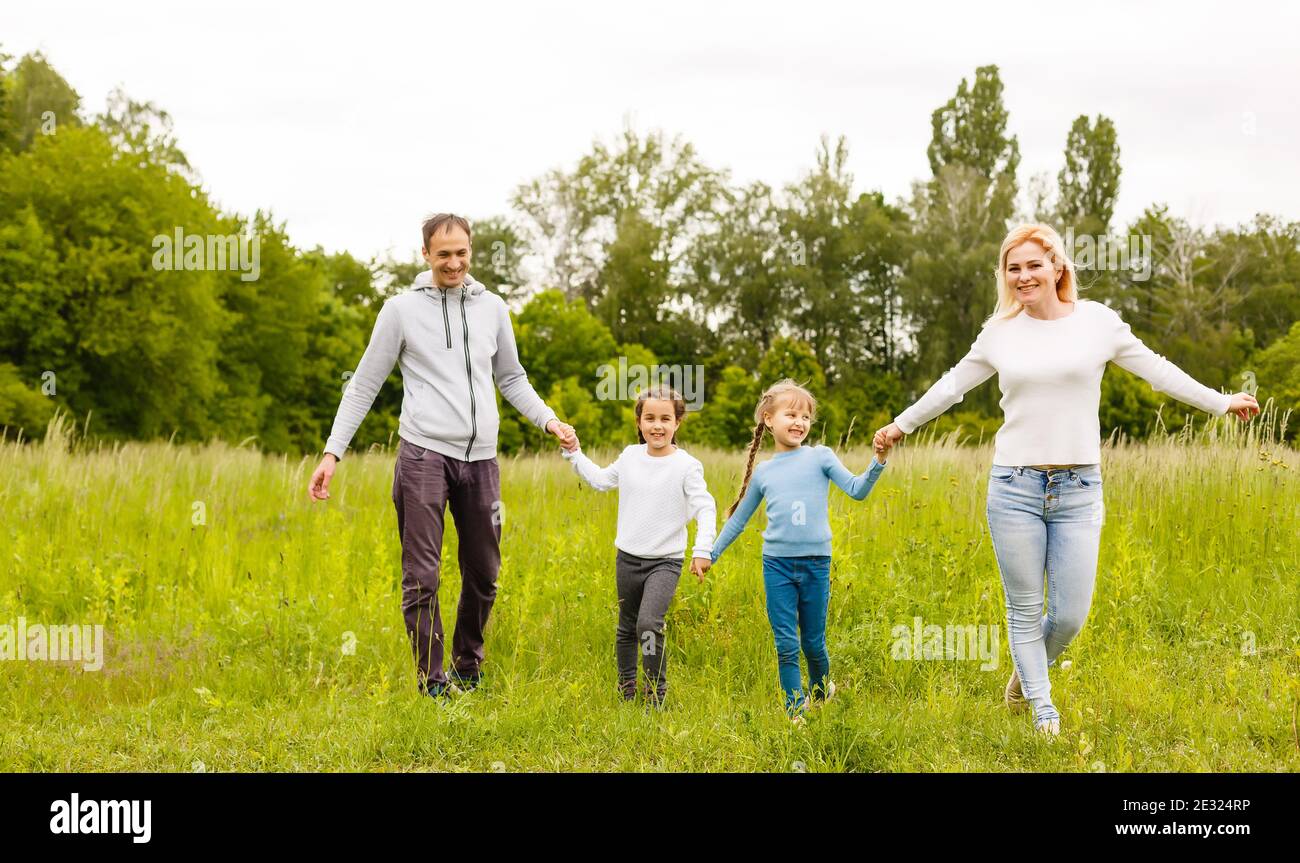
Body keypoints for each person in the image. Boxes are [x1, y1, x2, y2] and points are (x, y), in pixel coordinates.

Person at [874, 223, 1260, 736]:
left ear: (1058, 267)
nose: (1023, 276)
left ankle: (1024, 678)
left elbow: (1158, 371)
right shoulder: (1000, 334)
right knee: (1025, 607)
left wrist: (1221, 401)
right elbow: (950, 386)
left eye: (1034, 265)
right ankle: (1042, 706)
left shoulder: (1098, 323)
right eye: (1013, 269)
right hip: (1014, 486)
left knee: (1070, 615)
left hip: (1079, 489)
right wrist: (901, 425)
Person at [308, 213, 578, 698]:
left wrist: (549, 420)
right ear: (426, 255)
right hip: (423, 457)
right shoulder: (400, 311)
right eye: (443, 254)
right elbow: (365, 383)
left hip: (482, 462)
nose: (453, 263)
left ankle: (467, 666)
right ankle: (433, 682)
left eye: (461, 253)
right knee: (423, 575)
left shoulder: (492, 307)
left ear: (471, 251)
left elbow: (511, 378)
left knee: (485, 572)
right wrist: (333, 453)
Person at [712, 379, 888, 722]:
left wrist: (878, 461)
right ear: (768, 419)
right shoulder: (764, 472)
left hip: (816, 565)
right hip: (776, 566)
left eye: (805, 417)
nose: (799, 422)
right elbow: (738, 521)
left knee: (813, 643)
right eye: (791, 414)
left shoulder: (820, 457)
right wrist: (710, 554)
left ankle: (823, 690)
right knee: (786, 644)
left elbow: (856, 490)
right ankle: (795, 713)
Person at [562, 386, 716, 706]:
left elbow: (705, 507)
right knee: (627, 626)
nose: (657, 425)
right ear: (639, 422)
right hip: (628, 558)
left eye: (665, 418)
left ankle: (655, 691)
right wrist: (574, 453)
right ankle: (627, 687)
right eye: (649, 418)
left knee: (648, 624)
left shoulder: (686, 465)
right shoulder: (630, 456)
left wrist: (703, 550)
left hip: (665, 562)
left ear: (677, 424)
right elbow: (602, 480)